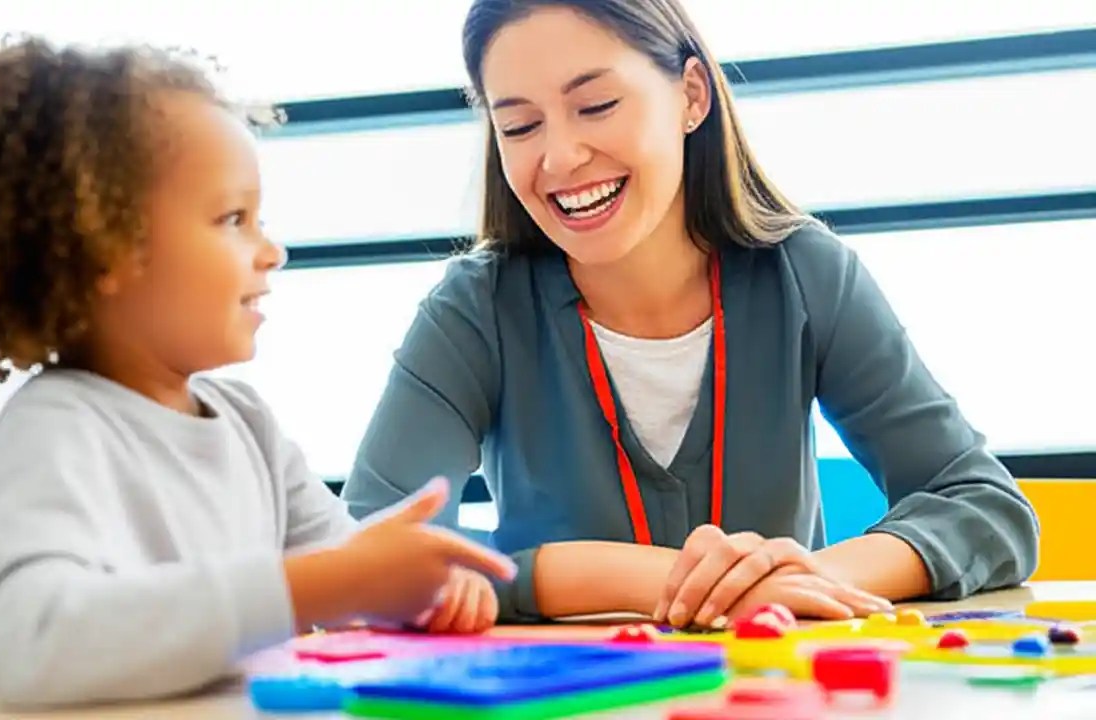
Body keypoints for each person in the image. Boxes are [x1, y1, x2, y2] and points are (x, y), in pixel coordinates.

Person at [344, 0, 1040, 628]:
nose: (560, 156)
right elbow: (364, 555)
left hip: (779, 696)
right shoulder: (475, 311)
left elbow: (983, 503)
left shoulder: (804, 275)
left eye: (596, 106)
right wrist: (648, 580)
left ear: (692, 95)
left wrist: (805, 577)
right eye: (520, 125)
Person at [0, 37, 514, 707]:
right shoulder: (56, 430)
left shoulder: (248, 426)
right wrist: (326, 584)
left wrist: (421, 592)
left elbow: (345, 573)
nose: (272, 251)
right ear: (104, 248)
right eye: (232, 219)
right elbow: (22, 643)